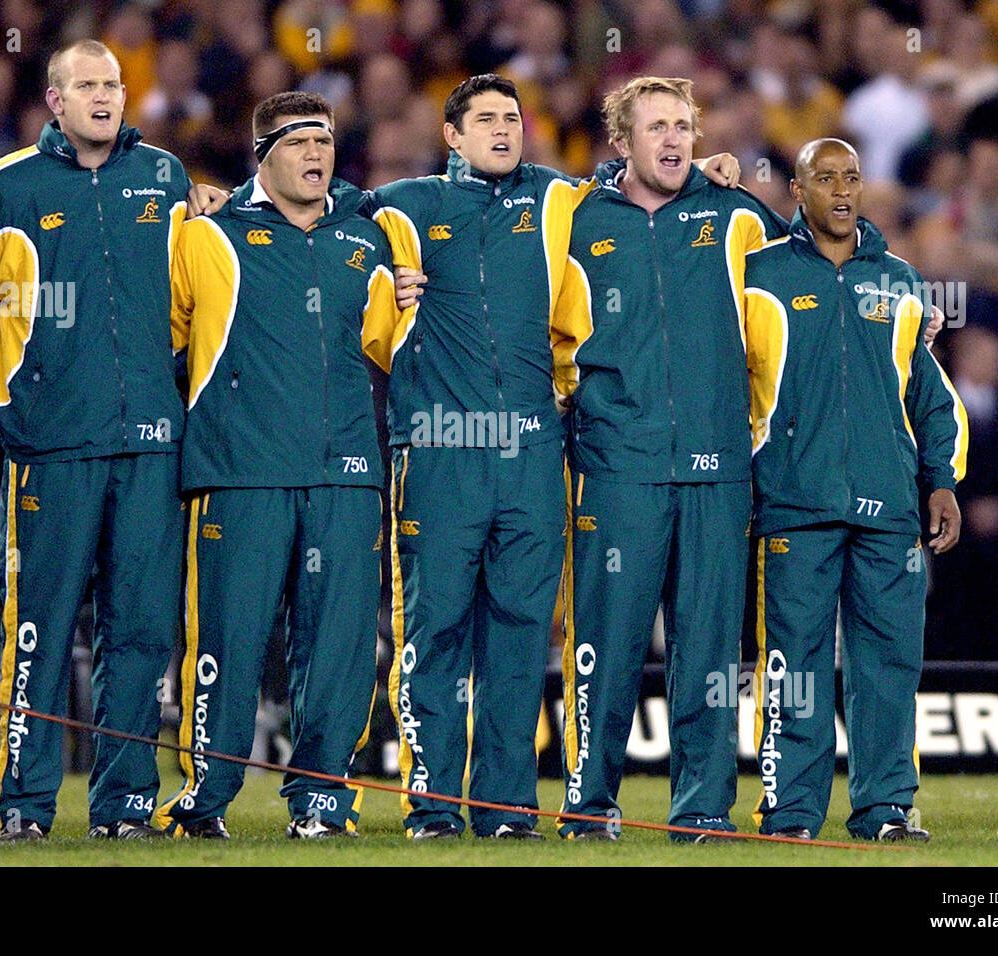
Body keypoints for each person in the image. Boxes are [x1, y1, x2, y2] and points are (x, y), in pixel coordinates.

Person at [365, 74, 739, 839]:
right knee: (433, 632)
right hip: (439, 448)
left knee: (522, 632)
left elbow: (637, 182)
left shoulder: (560, 199)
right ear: (452, 136)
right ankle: (431, 804)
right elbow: (320, 211)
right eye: (487, 119)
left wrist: (711, 170)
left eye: (513, 117)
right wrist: (223, 203)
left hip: (534, 451)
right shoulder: (402, 206)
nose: (504, 129)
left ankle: (505, 807)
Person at [0, 39, 196, 841]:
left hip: (152, 442)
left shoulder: (165, 178)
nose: (104, 96)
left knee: (139, 632)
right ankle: (24, 808)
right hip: (53, 447)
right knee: (41, 629)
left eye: (114, 83)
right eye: (86, 85)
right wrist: (10, 401)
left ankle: (124, 806)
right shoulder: (8, 187)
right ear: (54, 102)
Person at [152, 91, 397, 839]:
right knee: (228, 642)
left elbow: (393, 343)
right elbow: (164, 342)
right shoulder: (205, 236)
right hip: (240, 472)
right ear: (262, 154)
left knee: (342, 650)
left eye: (325, 143)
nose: (317, 156)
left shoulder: (368, 241)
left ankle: (322, 802)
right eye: (299, 144)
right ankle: (204, 799)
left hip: (347, 475)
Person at [550, 77, 786, 841]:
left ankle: (704, 810)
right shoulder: (577, 221)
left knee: (711, 650)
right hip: (617, 466)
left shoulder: (735, 214)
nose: (675, 139)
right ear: (621, 142)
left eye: (684, 125)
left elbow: (817, 264)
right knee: (605, 646)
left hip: (719, 468)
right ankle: (589, 807)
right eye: (656, 127)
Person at [742, 137, 967, 841]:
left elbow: (930, 395)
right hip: (792, 501)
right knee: (793, 669)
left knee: (889, 668)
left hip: (888, 507)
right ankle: (792, 812)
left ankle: (885, 810)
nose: (842, 190)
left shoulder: (900, 279)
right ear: (797, 193)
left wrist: (943, 480)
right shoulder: (754, 277)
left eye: (852, 178)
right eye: (825, 178)